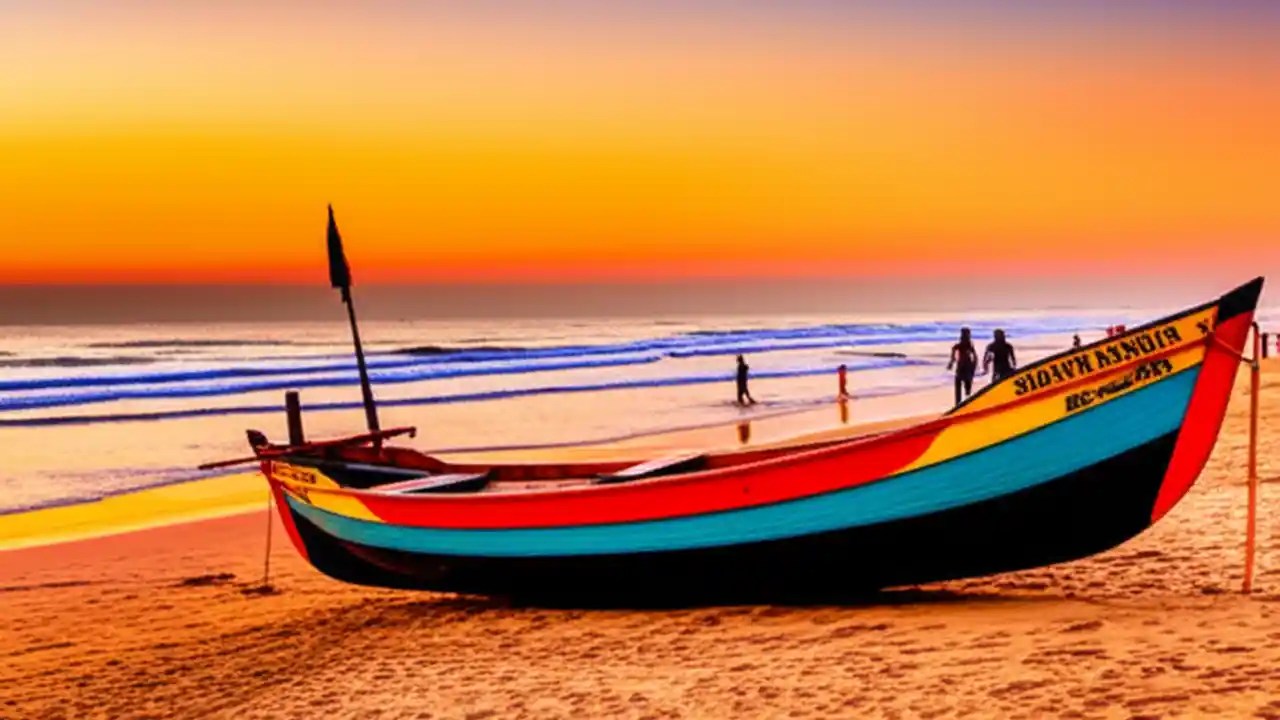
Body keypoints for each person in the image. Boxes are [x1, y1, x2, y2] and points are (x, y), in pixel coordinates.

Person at [947, 327, 978, 406]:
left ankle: (962, 403)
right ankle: (959, 403)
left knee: (966, 387)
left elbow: (975, 357)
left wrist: (974, 366)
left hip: (966, 367)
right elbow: (953, 355)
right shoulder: (962, 345)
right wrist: (951, 362)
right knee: (961, 385)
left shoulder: (968, 345)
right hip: (963, 367)